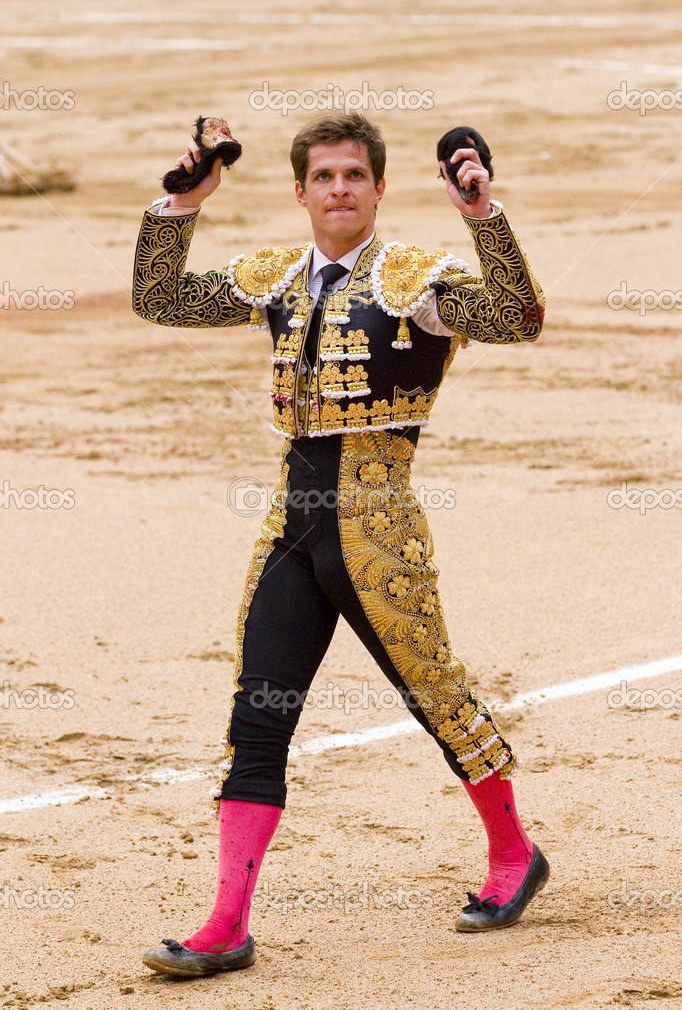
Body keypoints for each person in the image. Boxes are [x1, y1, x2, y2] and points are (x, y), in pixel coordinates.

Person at [132, 111, 548, 978]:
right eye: (323, 177)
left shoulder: (416, 281)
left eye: (354, 175)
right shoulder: (276, 274)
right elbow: (160, 298)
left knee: (435, 694)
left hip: (378, 530)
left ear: (380, 187)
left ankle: (514, 855)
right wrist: (184, 204)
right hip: (292, 528)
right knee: (258, 716)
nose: (339, 190)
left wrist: (482, 215)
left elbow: (519, 315)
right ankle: (226, 923)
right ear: (300, 191)